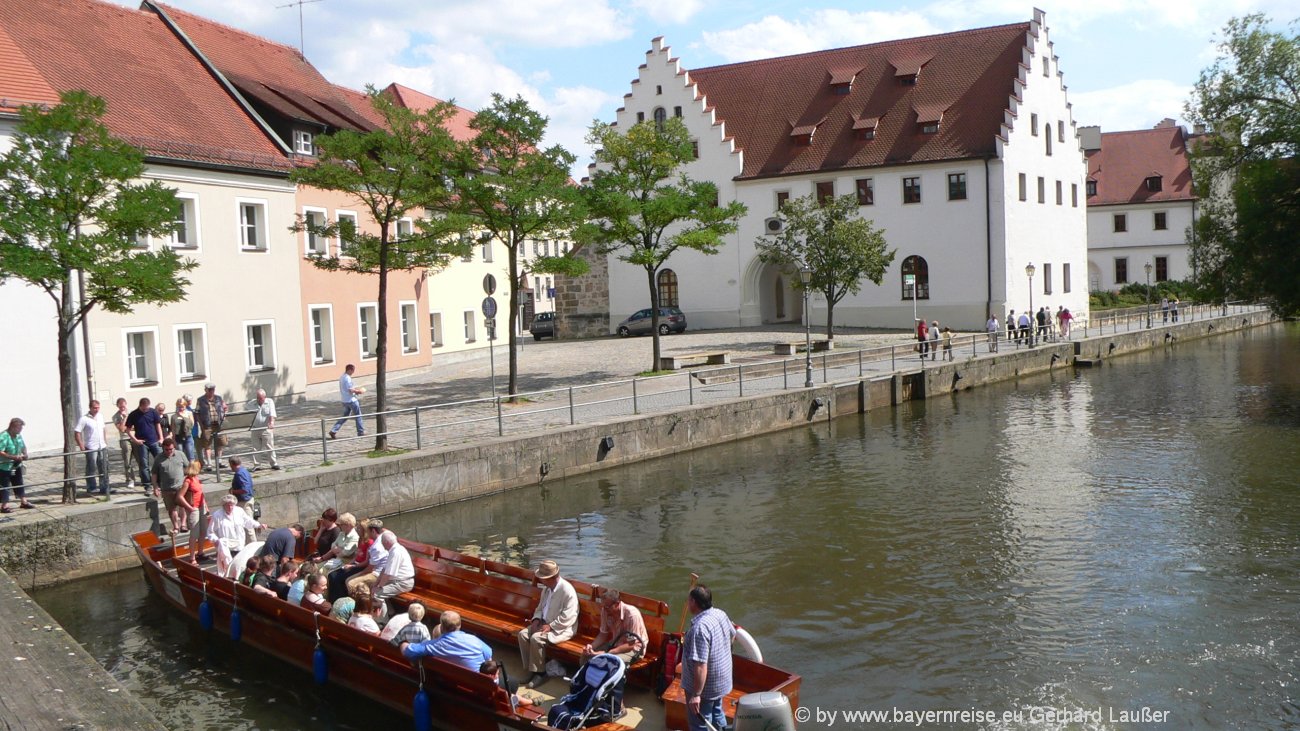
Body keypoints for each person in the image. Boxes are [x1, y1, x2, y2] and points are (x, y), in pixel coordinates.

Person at [583, 588, 646, 717]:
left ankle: (618, 706)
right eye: (603, 606)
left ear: (617, 604)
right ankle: (590, 693)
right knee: (585, 657)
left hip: (634, 648)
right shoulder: (605, 610)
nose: (605, 610)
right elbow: (603, 634)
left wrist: (607, 653)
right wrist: (591, 646)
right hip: (616, 643)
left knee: (614, 665)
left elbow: (631, 644)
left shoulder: (631, 614)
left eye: (607, 607)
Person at [517, 559, 578, 689]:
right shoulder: (546, 589)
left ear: (552, 577)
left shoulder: (567, 591)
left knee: (536, 638)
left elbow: (569, 616)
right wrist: (536, 620)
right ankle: (531, 670)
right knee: (522, 634)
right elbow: (540, 608)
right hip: (544, 623)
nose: (541, 580)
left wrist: (551, 626)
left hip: (561, 628)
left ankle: (541, 672)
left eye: (543, 578)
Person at [682, 585, 736, 731]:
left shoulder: (700, 628)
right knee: (717, 712)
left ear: (693, 602)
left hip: (705, 689)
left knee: (699, 723)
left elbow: (700, 665)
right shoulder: (720, 614)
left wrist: (696, 695)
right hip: (721, 681)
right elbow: (733, 635)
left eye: (688, 600)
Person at [402, 611, 492, 671]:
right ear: (460, 625)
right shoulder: (474, 640)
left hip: (448, 682)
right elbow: (489, 655)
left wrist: (402, 643)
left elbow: (408, 651)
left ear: (442, 627)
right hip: (476, 684)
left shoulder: (435, 645)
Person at [207, 494, 263, 576]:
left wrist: (258, 525)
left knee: (240, 566)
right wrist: (216, 540)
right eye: (228, 506)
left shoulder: (239, 511)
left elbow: (247, 521)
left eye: (232, 506)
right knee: (227, 568)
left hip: (239, 545)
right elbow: (210, 532)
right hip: (226, 547)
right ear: (223, 505)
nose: (230, 508)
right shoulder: (217, 515)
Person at [151, 438, 188, 535]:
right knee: (171, 509)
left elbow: (188, 467)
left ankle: (183, 524)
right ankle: (176, 526)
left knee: (182, 506)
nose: (169, 451)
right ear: (163, 448)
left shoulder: (180, 454)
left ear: (174, 447)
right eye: (166, 450)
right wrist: (155, 486)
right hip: (166, 488)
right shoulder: (158, 458)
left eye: (171, 449)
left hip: (180, 487)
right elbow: (154, 473)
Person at [125, 397, 163, 490]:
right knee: (144, 465)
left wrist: (161, 438)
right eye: (144, 408)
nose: (146, 409)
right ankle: (147, 485)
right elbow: (128, 430)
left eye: (147, 408)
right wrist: (135, 440)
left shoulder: (153, 412)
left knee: (161, 462)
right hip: (142, 444)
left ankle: (161, 482)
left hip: (154, 441)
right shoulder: (133, 414)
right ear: (140, 406)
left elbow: (158, 425)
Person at [344, 520, 390, 596]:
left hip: (377, 574)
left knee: (350, 583)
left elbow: (370, 569)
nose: (367, 533)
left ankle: (361, 604)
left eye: (368, 531)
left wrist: (359, 574)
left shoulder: (376, 547)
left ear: (373, 531)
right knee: (348, 580)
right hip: (377, 571)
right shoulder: (381, 539)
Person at [372, 530, 415, 608]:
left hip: (403, 583)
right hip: (396, 581)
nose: (382, 545)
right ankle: (391, 612)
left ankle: (382, 620)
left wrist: (379, 587)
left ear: (386, 543)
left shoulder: (396, 552)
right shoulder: (392, 551)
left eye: (382, 543)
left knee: (376, 595)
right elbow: (384, 570)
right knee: (374, 589)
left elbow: (388, 574)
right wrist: (376, 584)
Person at [74, 399, 108, 496]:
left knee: (104, 467)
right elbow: (77, 432)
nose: (97, 410)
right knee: (91, 467)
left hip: (102, 446)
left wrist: (105, 441)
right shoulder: (84, 419)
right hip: (91, 446)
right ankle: (91, 487)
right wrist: (81, 445)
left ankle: (104, 487)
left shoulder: (100, 416)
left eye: (98, 408)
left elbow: (103, 429)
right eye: (94, 408)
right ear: (90, 408)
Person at [176, 460, 207, 563]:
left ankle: (200, 552)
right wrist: (189, 507)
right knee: (194, 533)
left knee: (203, 531)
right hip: (194, 508)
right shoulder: (187, 481)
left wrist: (205, 505)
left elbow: (201, 493)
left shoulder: (196, 478)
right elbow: (180, 496)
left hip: (201, 506)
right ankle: (192, 557)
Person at [0, 418, 32, 512]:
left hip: (16, 464)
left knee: (19, 482)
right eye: (20, 428)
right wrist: (11, 456)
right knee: (5, 485)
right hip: (4, 466)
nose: (21, 430)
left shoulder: (18, 436)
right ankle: (4, 506)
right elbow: (0, 450)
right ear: (13, 427)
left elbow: (23, 446)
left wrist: (25, 454)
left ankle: (24, 502)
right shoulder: (4, 436)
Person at [195, 383, 227, 469]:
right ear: (205, 390)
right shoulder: (200, 400)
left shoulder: (218, 398)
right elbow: (197, 413)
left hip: (219, 425)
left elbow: (224, 408)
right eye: (210, 390)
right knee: (207, 444)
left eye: (213, 389)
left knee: (221, 443)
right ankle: (209, 463)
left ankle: (219, 461)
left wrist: (224, 414)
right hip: (207, 425)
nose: (211, 391)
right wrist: (201, 426)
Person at [329, 364, 365, 439]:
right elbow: (350, 390)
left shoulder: (342, 377)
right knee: (358, 415)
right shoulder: (347, 378)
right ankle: (360, 432)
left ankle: (333, 430)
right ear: (349, 370)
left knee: (345, 416)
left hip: (344, 400)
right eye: (353, 370)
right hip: (351, 400)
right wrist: (358, 391)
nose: (353, 372)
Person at [248, 388, 280, 470]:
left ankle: (274, 463)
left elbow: (272, 413)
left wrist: (272, 422)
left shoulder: (269, 402)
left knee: (270, 446)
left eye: (261, 398)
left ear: (264, 397)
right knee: (256, 448)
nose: (259, 400)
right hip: (255, 428)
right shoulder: (251, 403)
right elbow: (247, 413)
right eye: (258, 398)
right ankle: (257, 465)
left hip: (266, 428)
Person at [228, 457, 256, 542]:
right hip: (248, 500)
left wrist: (233, 491)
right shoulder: (244, 470)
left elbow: (245, 489)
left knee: (248, 526)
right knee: (246, 524)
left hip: (244, 502)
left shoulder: (239, 474)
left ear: (232, 464)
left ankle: (253, 547)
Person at [111, 398, 135, 490]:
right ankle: (130, 479)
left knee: (140, 460)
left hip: (135, 437)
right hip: (125, 439)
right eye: (120, 406)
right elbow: (121, 429)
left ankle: (144, 479)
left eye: (123, 406)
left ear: (126, 404)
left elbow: (134, 426)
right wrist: (124, 418)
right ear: (117, 406)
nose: (122, 408)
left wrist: (128, 427)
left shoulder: (132, 413)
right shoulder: (116, 416)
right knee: (127, 461)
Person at [169, 399, 195, 463]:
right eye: (179, 406)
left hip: (187, 436)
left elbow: (192, 424)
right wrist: (173, 439)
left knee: (190, 453)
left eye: (182, 406)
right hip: (178, 437)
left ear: (185, 406)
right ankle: (182, 470)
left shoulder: (189, 413)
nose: (181, 408)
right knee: (180, 453)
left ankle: (192, 470)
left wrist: (184, 419)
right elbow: (173, 428)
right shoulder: (174, 416)